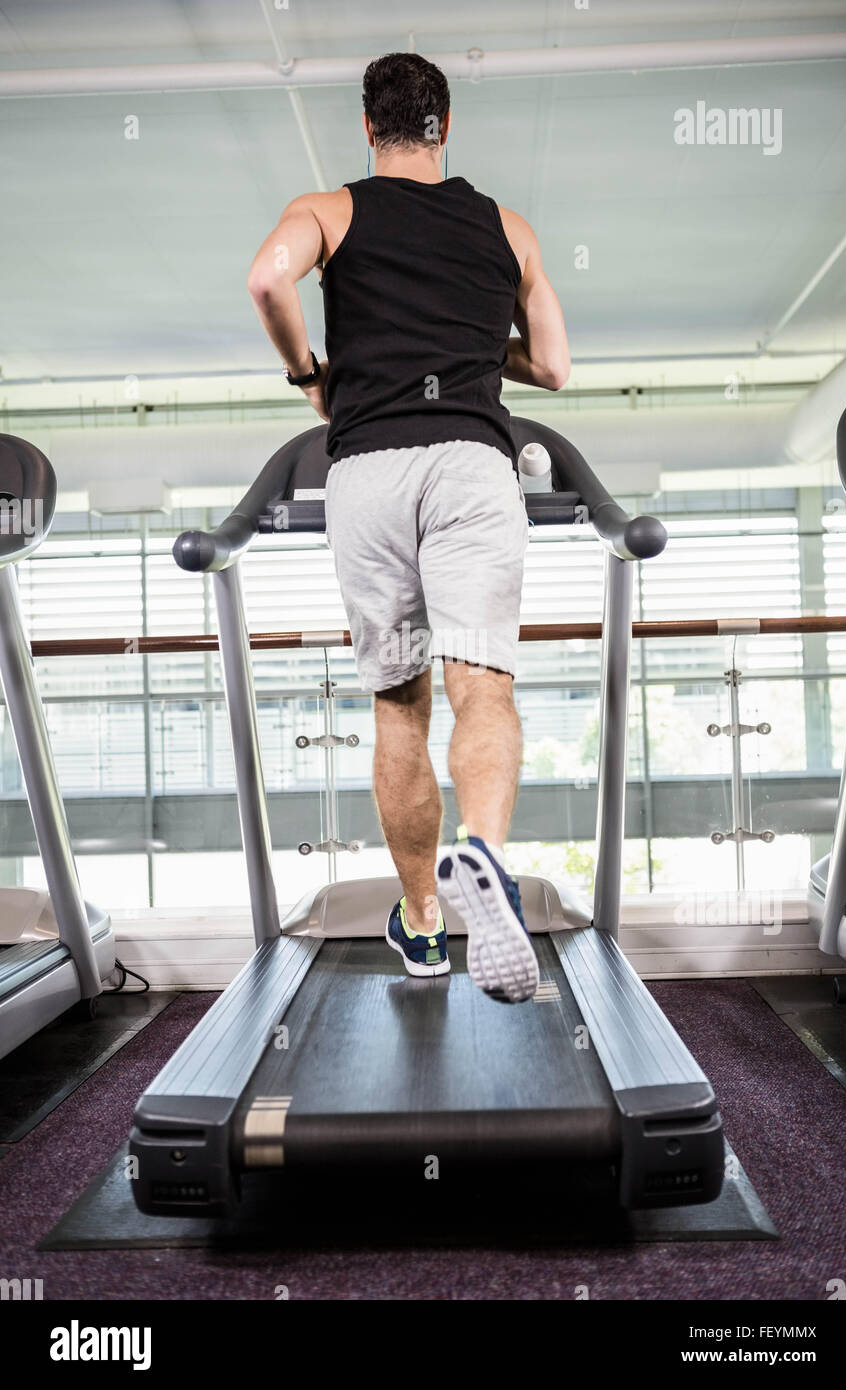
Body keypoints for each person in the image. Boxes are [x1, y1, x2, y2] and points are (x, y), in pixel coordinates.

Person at [247, 52, 570, 1003]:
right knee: (483, 684)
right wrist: (471, 345)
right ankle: (490, 858)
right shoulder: (506, 226)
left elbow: (268, 282)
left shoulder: (327, 209)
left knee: (400, 702)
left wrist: (313, 374)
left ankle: (424, 921)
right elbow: (552, 365)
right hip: (474, 461)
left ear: (365, 126)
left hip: (368, 466)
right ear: (446, 125)